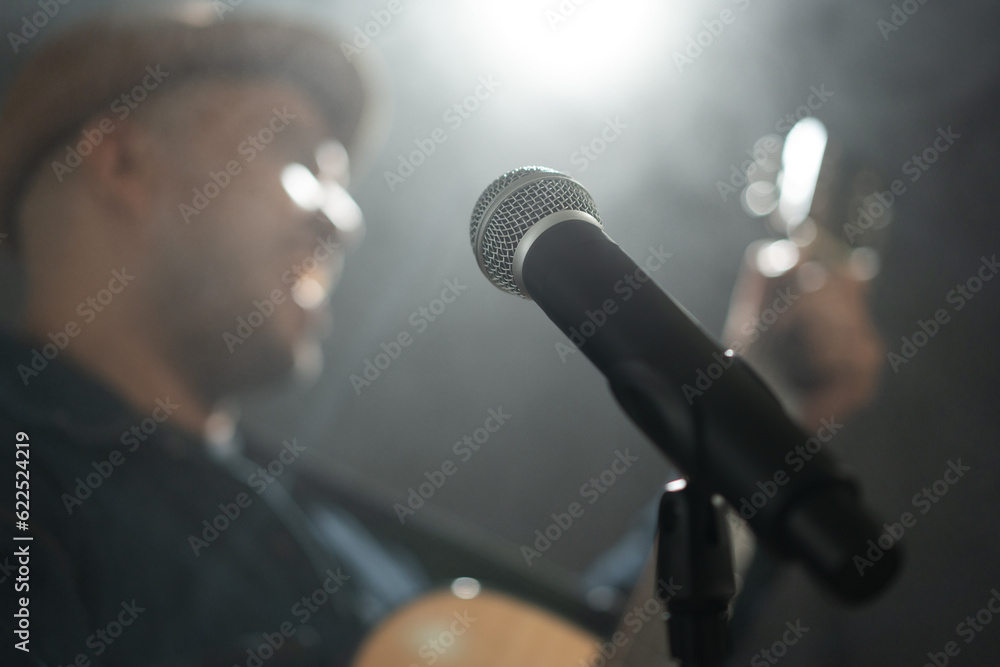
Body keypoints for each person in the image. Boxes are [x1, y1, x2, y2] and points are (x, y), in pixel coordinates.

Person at [0, 8, 426, 666]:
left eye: (342, 184)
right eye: (300, 160)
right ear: (123, 163)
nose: (345, 223)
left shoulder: (352, 546)